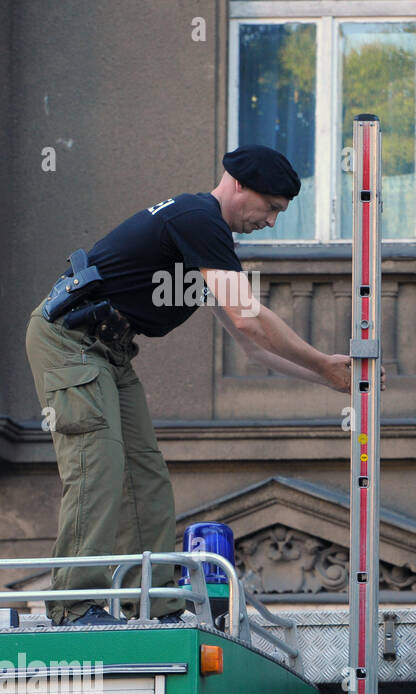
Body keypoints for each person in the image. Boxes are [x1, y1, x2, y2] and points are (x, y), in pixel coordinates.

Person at [25, 144, 379, 626]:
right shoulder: (197, 217)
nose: (272, 222)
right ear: (238, 186)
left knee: (145, 480)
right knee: (98, 466)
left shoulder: (205, 238)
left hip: (110, 352)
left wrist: (328, 379)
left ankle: (156, 606)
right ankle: (72, 606)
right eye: (271, 207)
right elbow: (250, 319)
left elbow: (250, 347)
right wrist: (322, 363)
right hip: (70, 343)